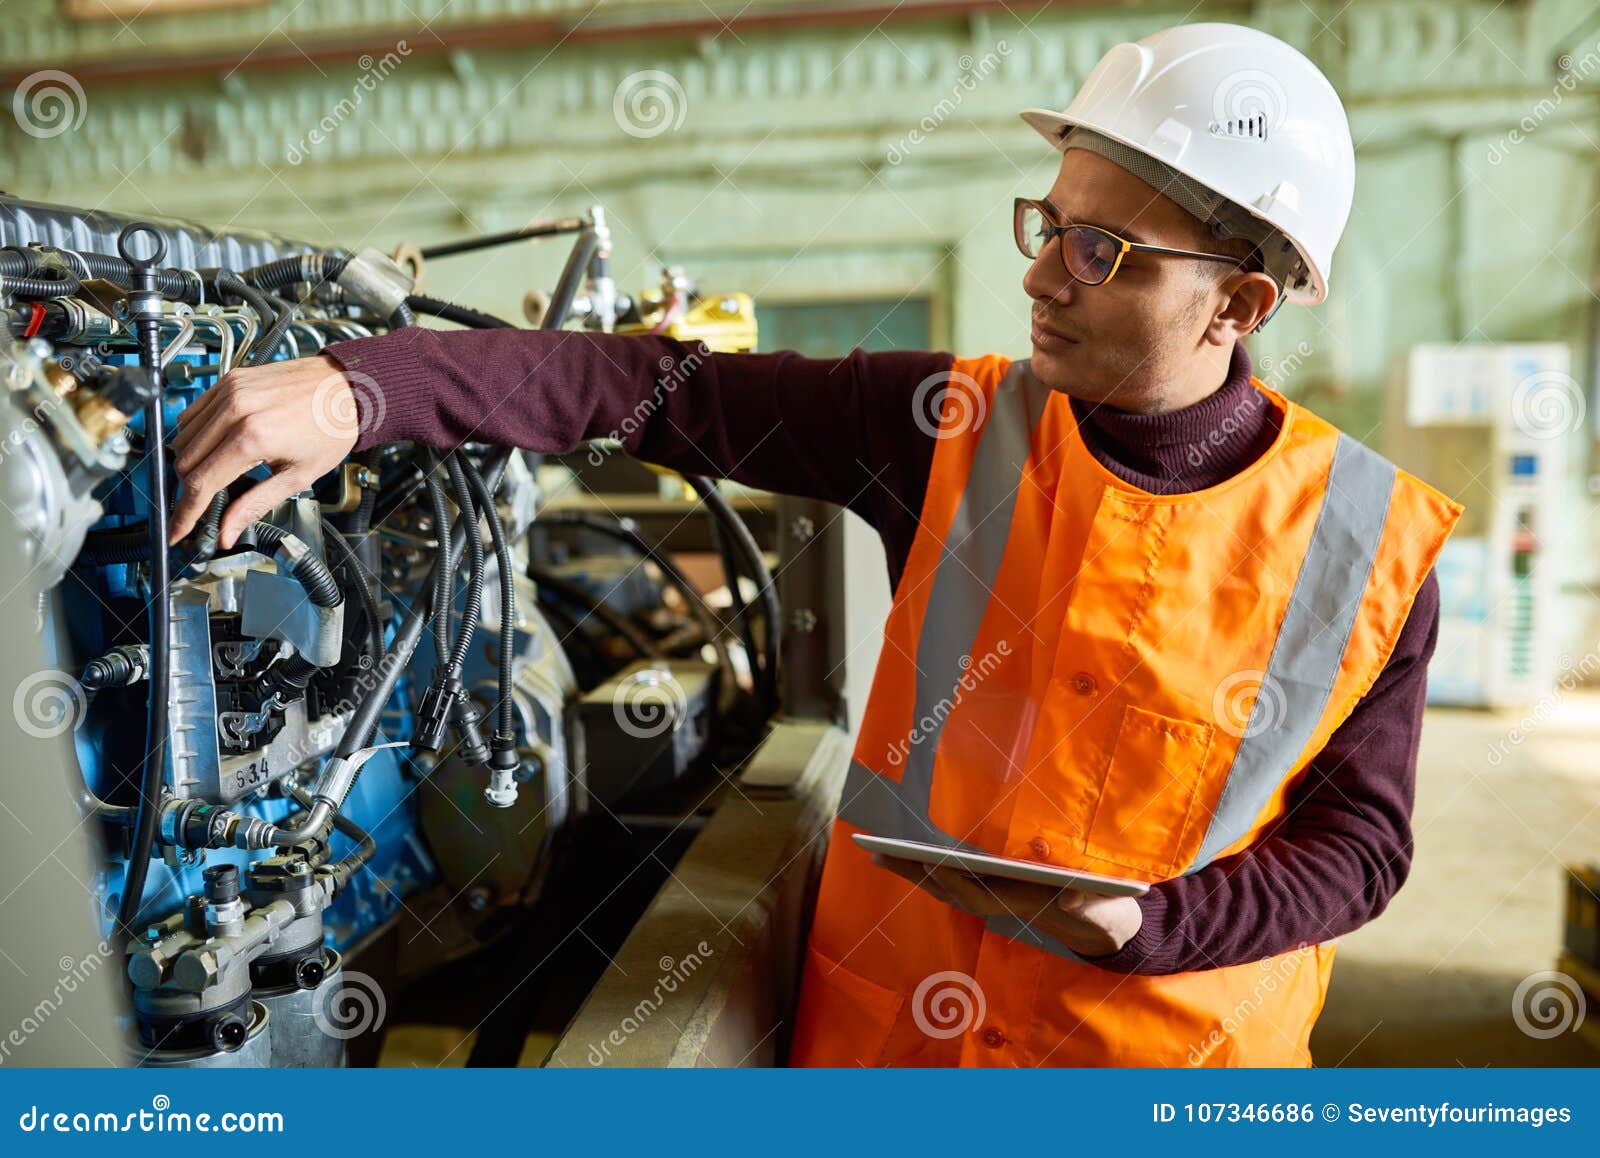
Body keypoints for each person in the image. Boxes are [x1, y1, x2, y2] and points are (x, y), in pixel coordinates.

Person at [169, 22, 1461, 1066]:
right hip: (886, 1056)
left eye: (1099, 248)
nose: (1040, 275)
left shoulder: (1368, 544)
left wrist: (1154, 921)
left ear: (1238, 300)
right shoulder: (946, 426)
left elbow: (1360, 847)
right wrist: (362, 387)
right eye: (1048, 222)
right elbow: (649, 390)